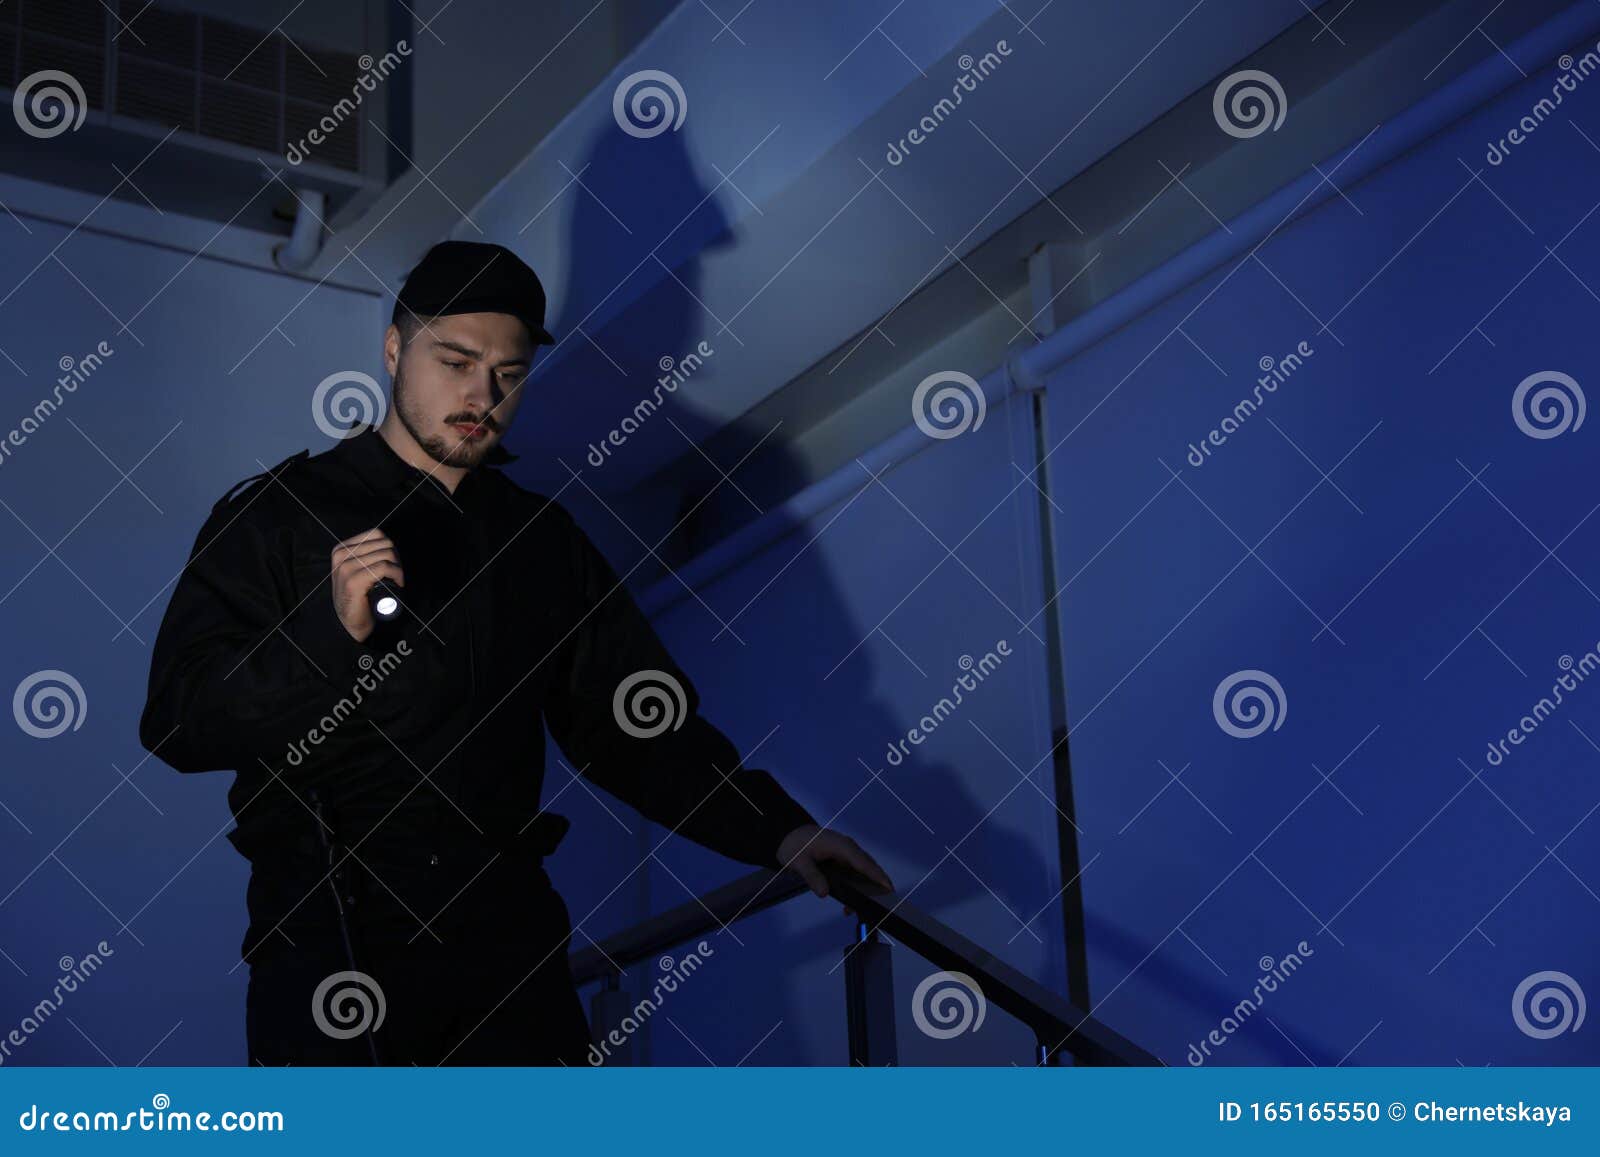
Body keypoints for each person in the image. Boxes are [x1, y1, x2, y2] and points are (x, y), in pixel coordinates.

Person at [138, 240, 893, 1065]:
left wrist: (777, 829)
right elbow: (180, 721)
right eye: (455, 361)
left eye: (509, 372)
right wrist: (326, 635)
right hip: (333, 958)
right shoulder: (283, 516)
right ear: (393, 350)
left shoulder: (541, 542)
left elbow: (637, 729)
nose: (481, 395)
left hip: (507, 962)